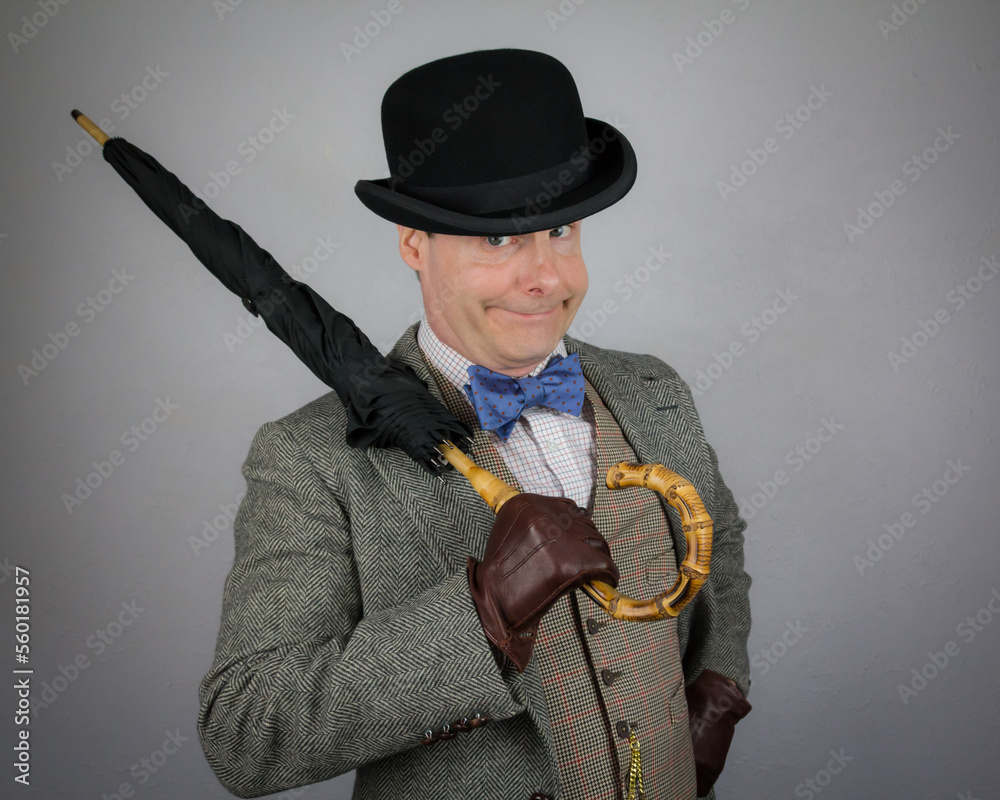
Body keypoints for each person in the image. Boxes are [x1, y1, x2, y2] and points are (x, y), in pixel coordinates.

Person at [198, 48, 752, 800]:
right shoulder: (308, 459)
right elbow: (246, 732)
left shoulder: (654, 390)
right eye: (499, 240)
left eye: (563, 232)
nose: (546, 277)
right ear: (413, 244)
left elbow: (720, 540)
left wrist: (719, 686)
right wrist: (482, 610)